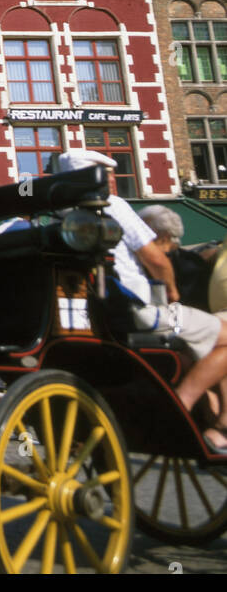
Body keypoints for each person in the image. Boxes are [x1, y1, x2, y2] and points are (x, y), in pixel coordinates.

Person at [55, 150, 227, 452]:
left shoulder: (60, 212)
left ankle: (217, 417)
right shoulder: (113, 205)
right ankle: (183, 407)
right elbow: (155, 259)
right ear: (94, 176)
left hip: (93, 316)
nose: (112, 179)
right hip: (135, 311)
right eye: (106, 173)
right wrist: (172, 292)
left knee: (208, 340)